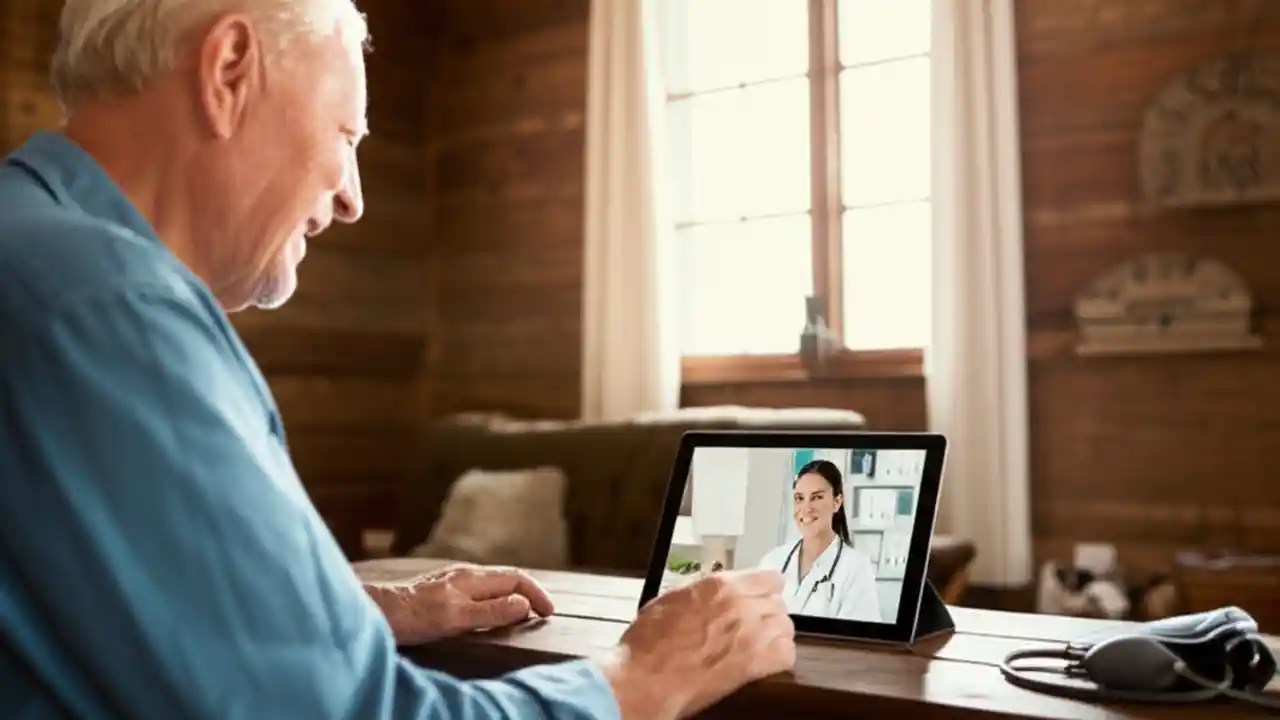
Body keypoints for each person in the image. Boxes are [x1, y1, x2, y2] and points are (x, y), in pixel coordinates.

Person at [0, 1, 796, 718]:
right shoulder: (112, 310)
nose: (353, 197)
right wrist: (644, 677)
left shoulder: (31, 251)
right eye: (346, 136)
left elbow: (93, 608)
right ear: (230, 71)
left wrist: (353, 614)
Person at [756, 460, 881, 621]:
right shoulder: (772, 562)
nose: (806, 508)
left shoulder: (856, 569)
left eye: (817, 497)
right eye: (800, 498)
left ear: (837, 502)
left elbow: (859, 634)